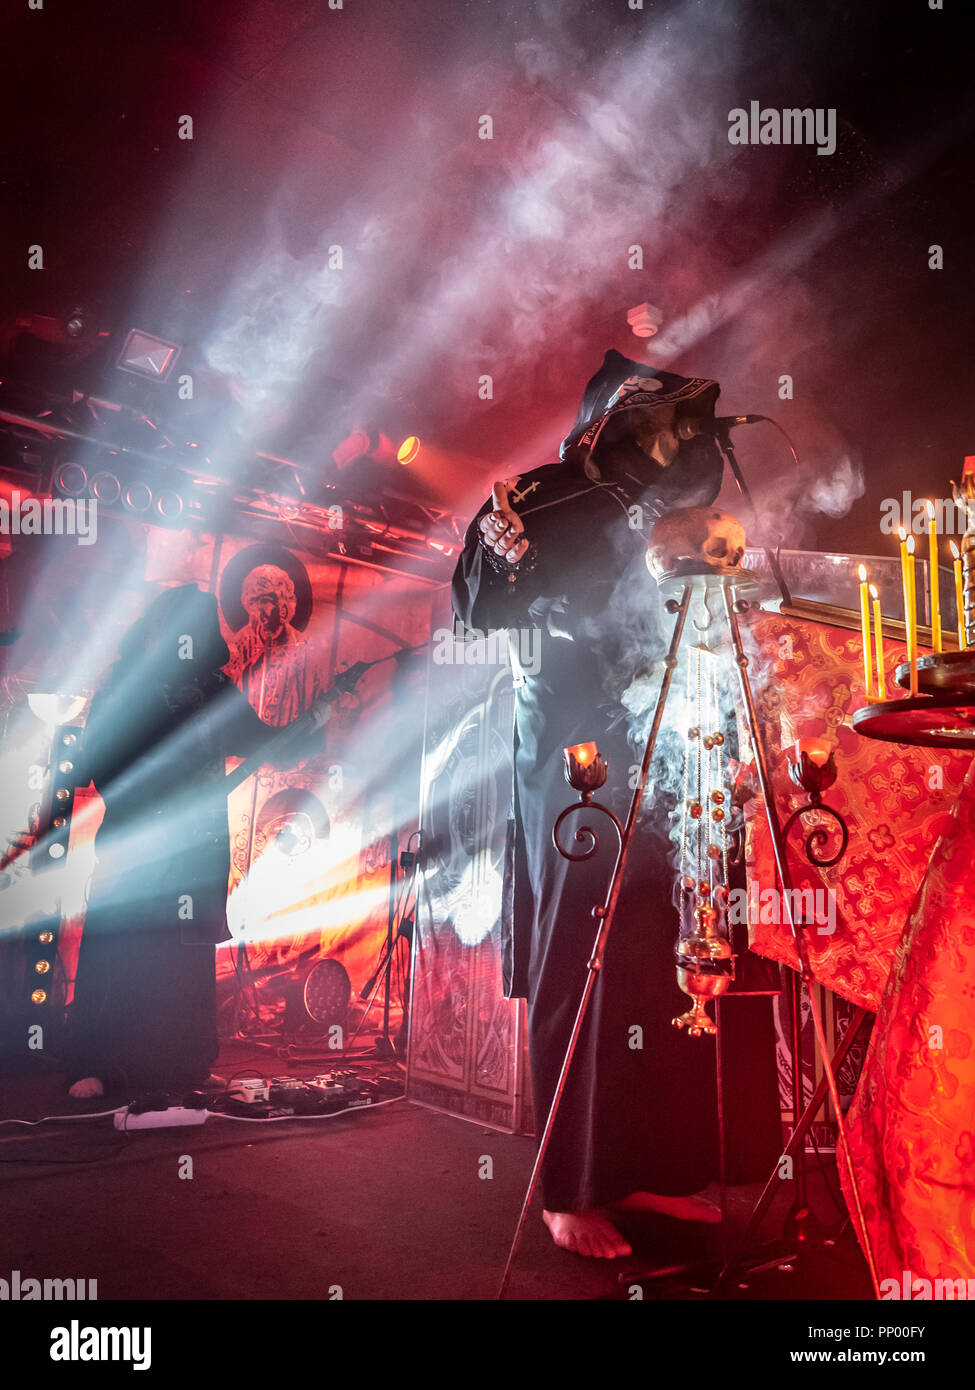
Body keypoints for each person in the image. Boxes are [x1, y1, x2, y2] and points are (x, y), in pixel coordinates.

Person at [452, 350, 728, 1258]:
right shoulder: (540, 494)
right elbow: (479, 607)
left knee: (653, 950)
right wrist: (503, 562)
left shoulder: (681, 511)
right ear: (606, 421)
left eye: (676, 425)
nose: (666, 439)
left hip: (667, 743)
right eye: (647, 421)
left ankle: (640, 1167)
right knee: (582, 953)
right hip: (574, 753)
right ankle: (567, 1190)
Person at [65, 584, 312, 1099]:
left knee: (184, 953)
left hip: (197, 851)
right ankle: (102, 1064)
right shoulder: (126, 687)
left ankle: (184, 1063)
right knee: (125, 949)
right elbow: (98, 767)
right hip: (135, 848)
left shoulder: (214, 688)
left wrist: (312, 727)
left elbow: (264, 741)